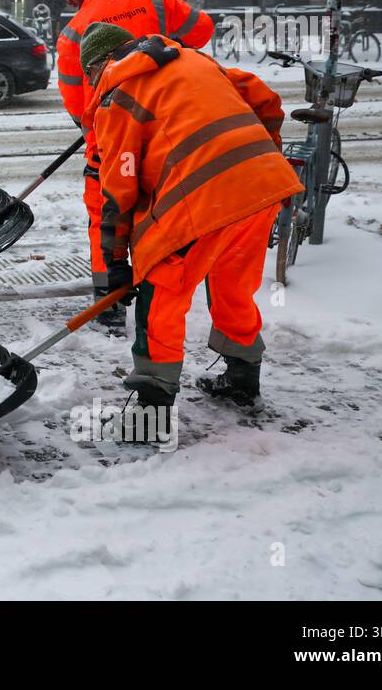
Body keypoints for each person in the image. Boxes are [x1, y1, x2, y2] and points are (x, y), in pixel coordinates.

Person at [77, 22, 301, 435]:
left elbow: (118, 188)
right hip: (263, 188)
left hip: (203, 200)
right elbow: (264, 99)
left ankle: (151, 414)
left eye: (89, 75)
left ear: (100, 63)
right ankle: (241, 382)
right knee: (233, 285)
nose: (92, 84)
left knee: (161, 298)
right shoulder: (193, 60)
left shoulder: (119, 97)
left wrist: (115, 263)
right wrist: (260, 155)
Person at [54, 0, 215, 336]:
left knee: (104, 208)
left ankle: (107, 301)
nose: (71, 4)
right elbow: (203, 31)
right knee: (161, 207)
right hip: (170, 119)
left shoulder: (75, 32)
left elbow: (77, 102)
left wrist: (94, 138)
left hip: (117, 126)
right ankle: (159, 289)